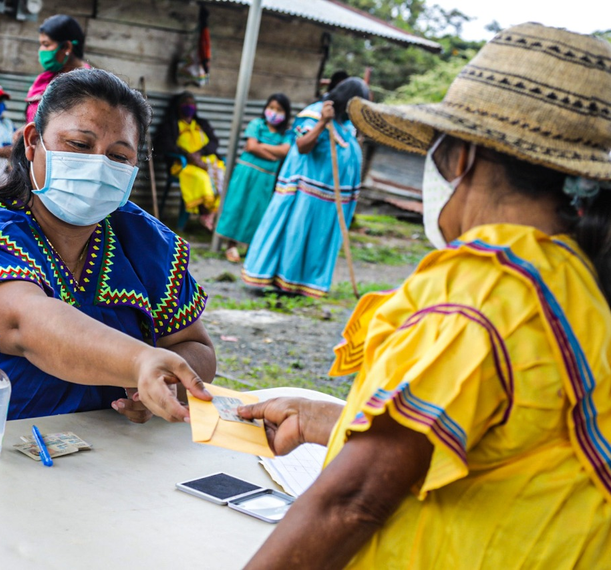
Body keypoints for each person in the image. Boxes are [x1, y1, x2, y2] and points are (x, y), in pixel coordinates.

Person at [239, 23, 611, 569]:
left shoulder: (487, 282)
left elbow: (353, 501)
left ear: (460, 159)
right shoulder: (572, 283)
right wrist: (333, 420)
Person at [0, 68, 216, 428]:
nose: (97, 165)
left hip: (71, 455)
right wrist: (139, 361)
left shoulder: (144, 242)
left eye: (119, 156)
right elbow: (25, 324)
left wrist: (162, 386)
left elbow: (196, 348)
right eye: (79, 145)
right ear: (33, 142)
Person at [241, 78, 369, 297]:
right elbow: (302, 146)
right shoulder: (317, 112)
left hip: (330, 198)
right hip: (305, 193)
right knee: (294, 237)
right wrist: (322, 122)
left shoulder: (345, 123)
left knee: (317, 242)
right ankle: (281, 281)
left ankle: (302, 284)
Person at [215, 94, 293, 263]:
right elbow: (251, 146)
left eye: (279, 110)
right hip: (246, 173)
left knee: (257, 211)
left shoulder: (287, 134)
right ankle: (231, 245)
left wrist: (261, 146)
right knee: (237, 205)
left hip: (266, 178)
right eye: (272, 108)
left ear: (286, 113)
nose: (274, 112)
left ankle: (251, 248)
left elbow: (285, 151)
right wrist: (272, 154)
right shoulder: (256, 124)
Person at [154, 91, 225, 230]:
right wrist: (188, 155)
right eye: (185, 103)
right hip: (183, 165)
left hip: (206, 162)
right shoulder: (171, 125)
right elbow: (165, 145)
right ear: (177, 106)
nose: (189, 106)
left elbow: (214, 142)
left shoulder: (201, 124)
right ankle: (206, 213)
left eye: (192, 103)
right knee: (202, 179)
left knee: (224, 176)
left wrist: (200, 153)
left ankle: (211, 215)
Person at [25, 14, 90, 124]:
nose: (41, 50)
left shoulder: (87, 85)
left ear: (67, 47)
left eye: (46, 44)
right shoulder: (46, 78)